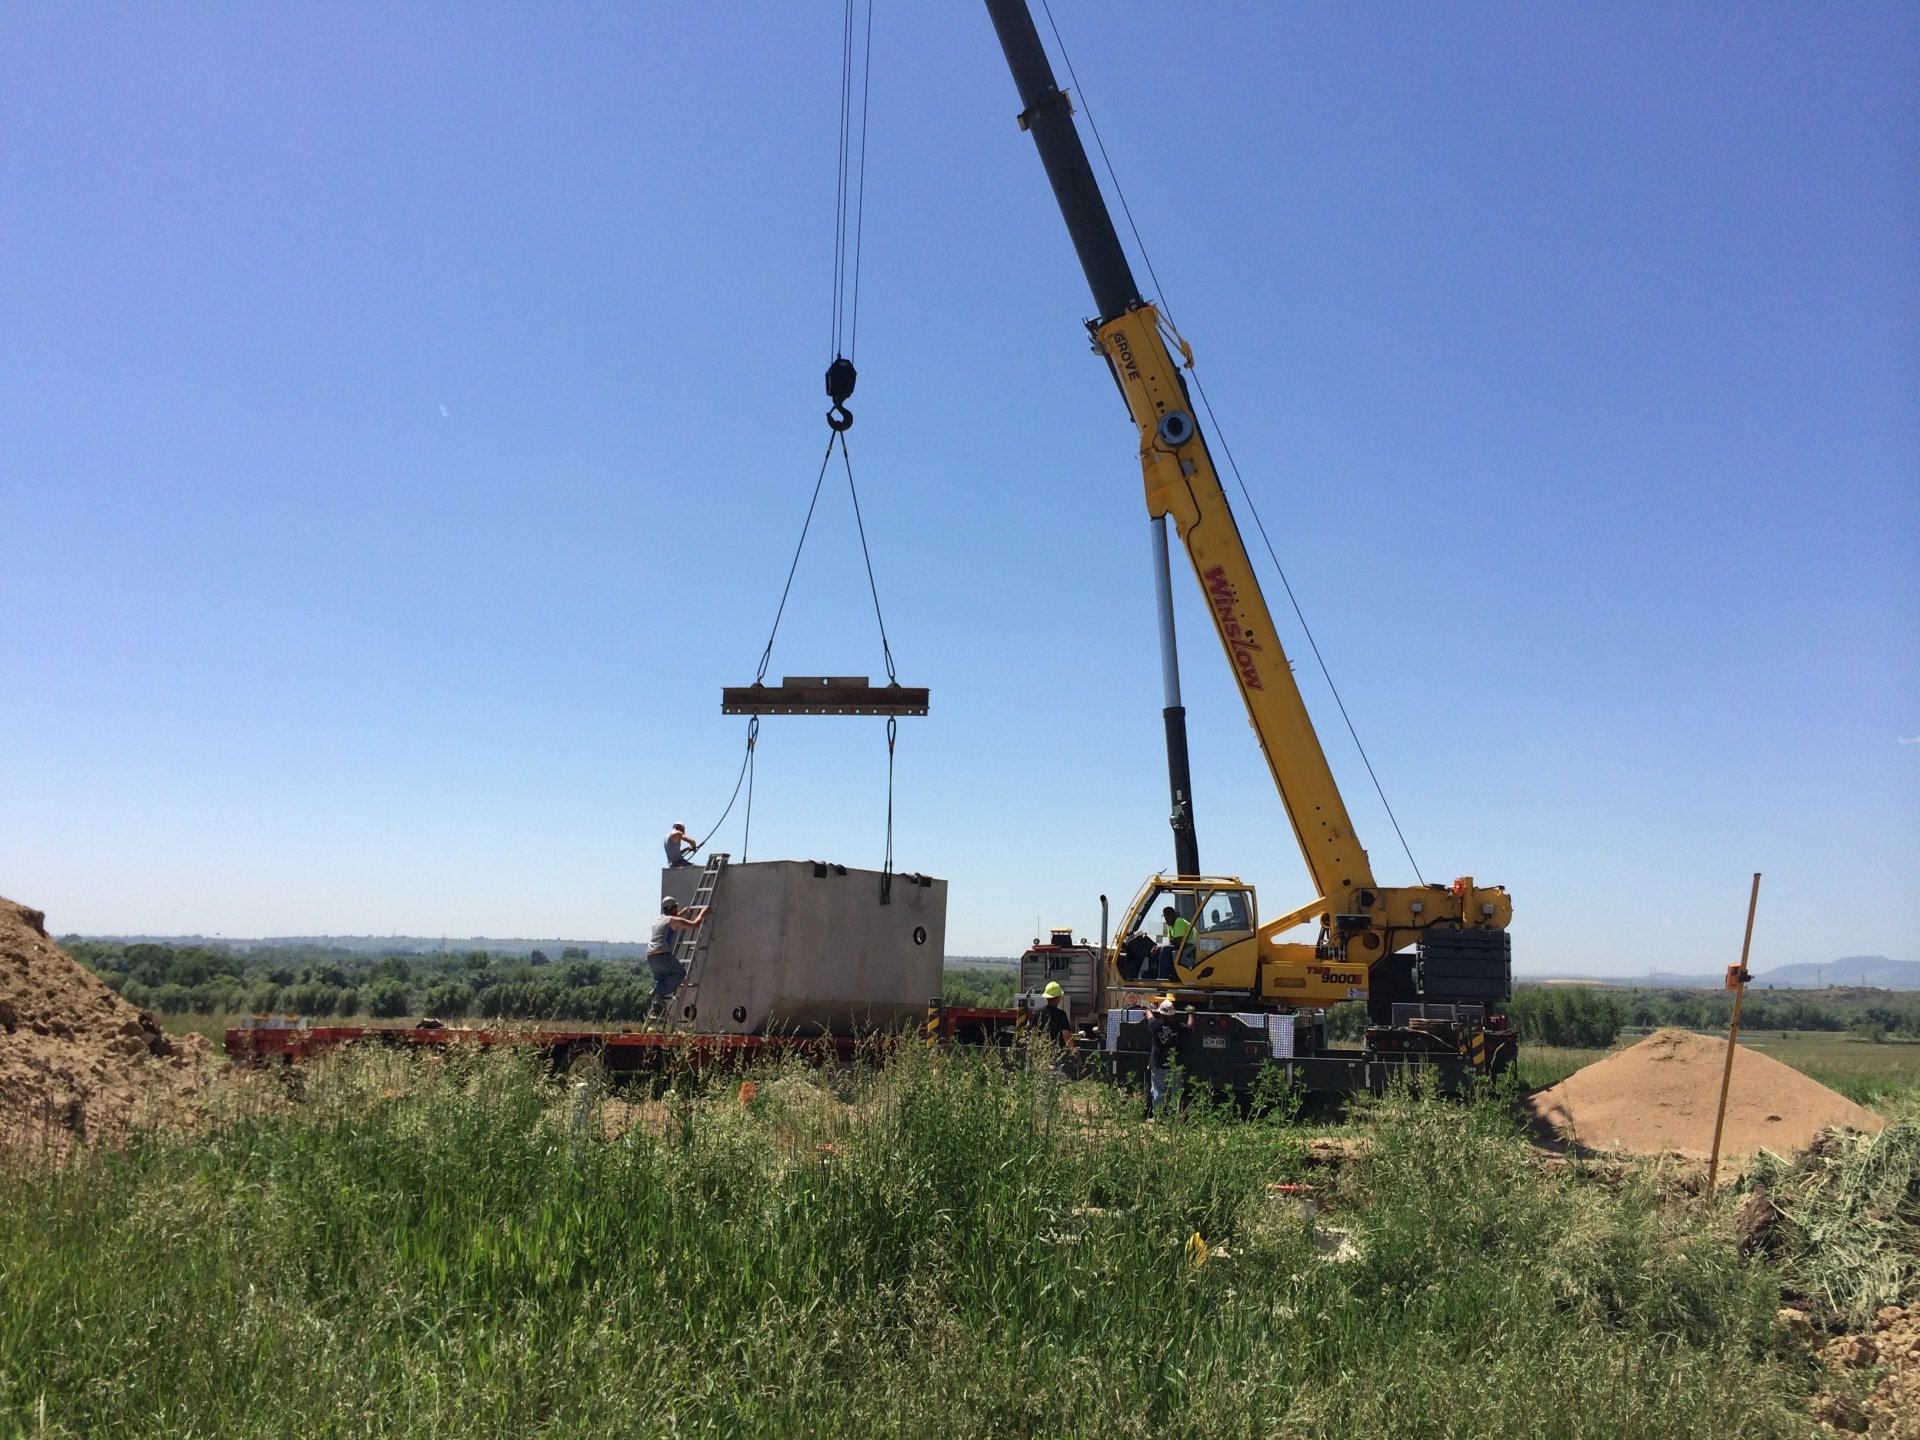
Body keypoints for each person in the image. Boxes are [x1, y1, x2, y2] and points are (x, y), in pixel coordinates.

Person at [645, 895, 707, 1015]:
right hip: (662, 955)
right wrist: (702, 913)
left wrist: (682, 913)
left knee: (661, 980)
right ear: (672, 908)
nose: (677, 909)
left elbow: (670, 922)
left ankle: (657, 1009)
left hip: (651, 957)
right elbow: (695, 924)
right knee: (680, 973)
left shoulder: (659, 920)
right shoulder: (673, 920)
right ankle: (658, 993)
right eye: (676, 907)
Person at [1145, 997, 1188, 1118]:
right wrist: (1191, 1013)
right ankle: (1175, 1117)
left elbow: (1149, 1017)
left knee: (1158, 1091)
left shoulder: (1154, 1025)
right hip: (1174, 1064)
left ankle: (1158, 1116)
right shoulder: (1178, 1027)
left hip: (1157, 1064)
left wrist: (1148, 1009)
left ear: (1160, 1012)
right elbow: (1190, 1027)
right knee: (1176, 1091)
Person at [1036, 980, 1077, 1057]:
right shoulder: (1061, 1015)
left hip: (1040, 1056)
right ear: (1058, 998)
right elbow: (1067, 1037)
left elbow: (1033, 1033)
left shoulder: (1038, 1013)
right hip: (1055, 1055)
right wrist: (1075, 1052)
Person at [1153, 905, 1192, 981]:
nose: (1166, 920)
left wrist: (1162, 947)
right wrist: (1159, 946)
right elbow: (1170, 941)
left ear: (1172, 915)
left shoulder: (1179, 921)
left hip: (1190, 946)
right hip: (1183, 946)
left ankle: (1162, 978)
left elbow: (1178, 941)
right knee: (1160, 950)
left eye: (1167, 917)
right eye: (1165, 917)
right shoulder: (1170, 926)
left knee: (1165, 950)